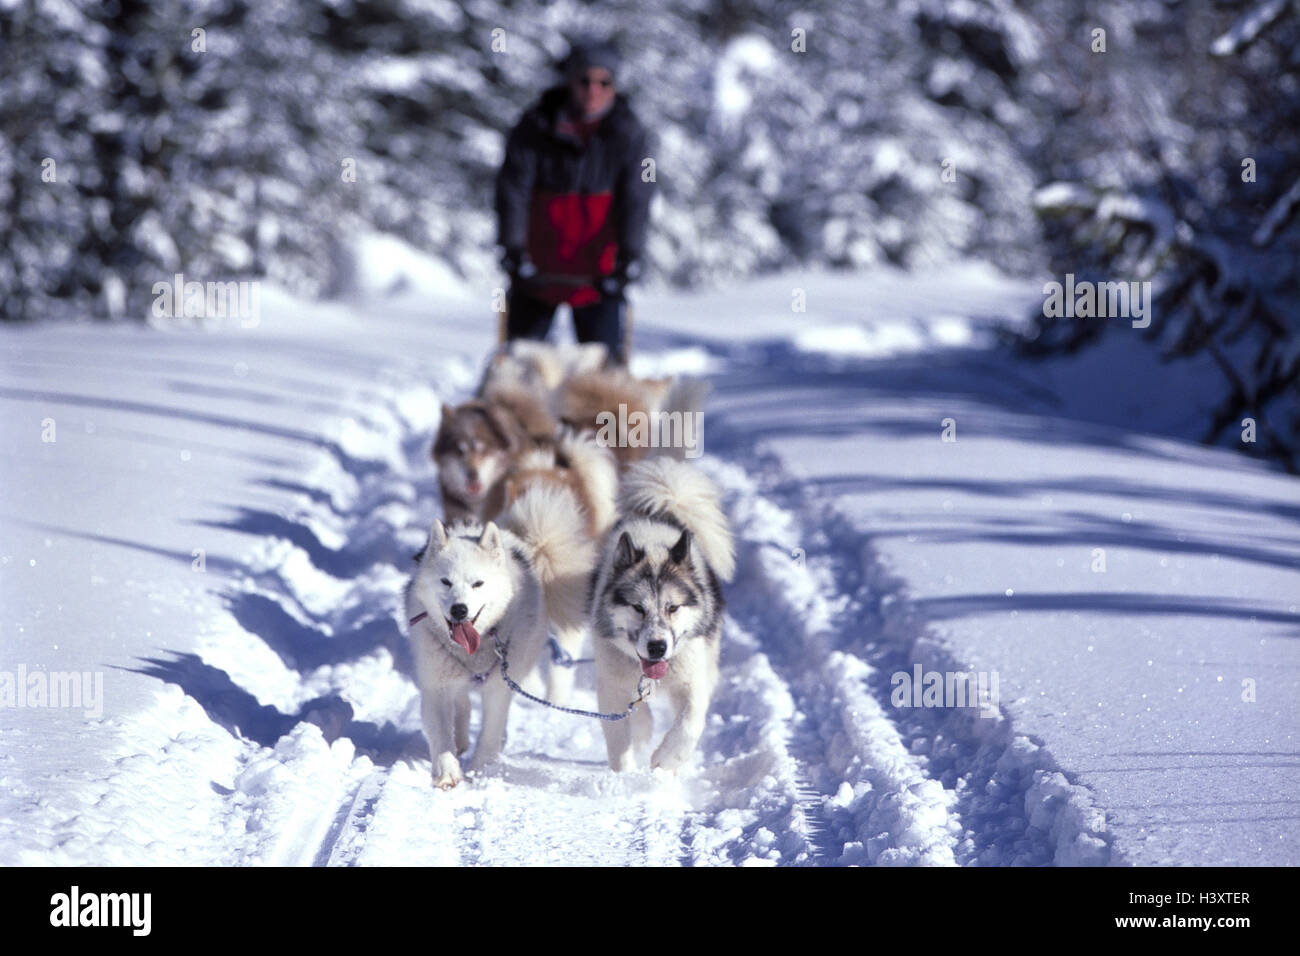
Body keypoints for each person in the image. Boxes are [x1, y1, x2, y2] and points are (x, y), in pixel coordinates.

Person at [494, 37, 654, 366]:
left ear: (614, 85)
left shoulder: (628, 134)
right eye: (584, 80)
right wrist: (512, 248)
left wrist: (630, 255)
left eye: (604, 81)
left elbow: (637, 199)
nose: (593, 89)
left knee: (604, 383)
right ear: (569, 81)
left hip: (599, 278)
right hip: (536, 274)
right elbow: (513, 190)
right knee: (516, 375)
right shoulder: (534, 126)